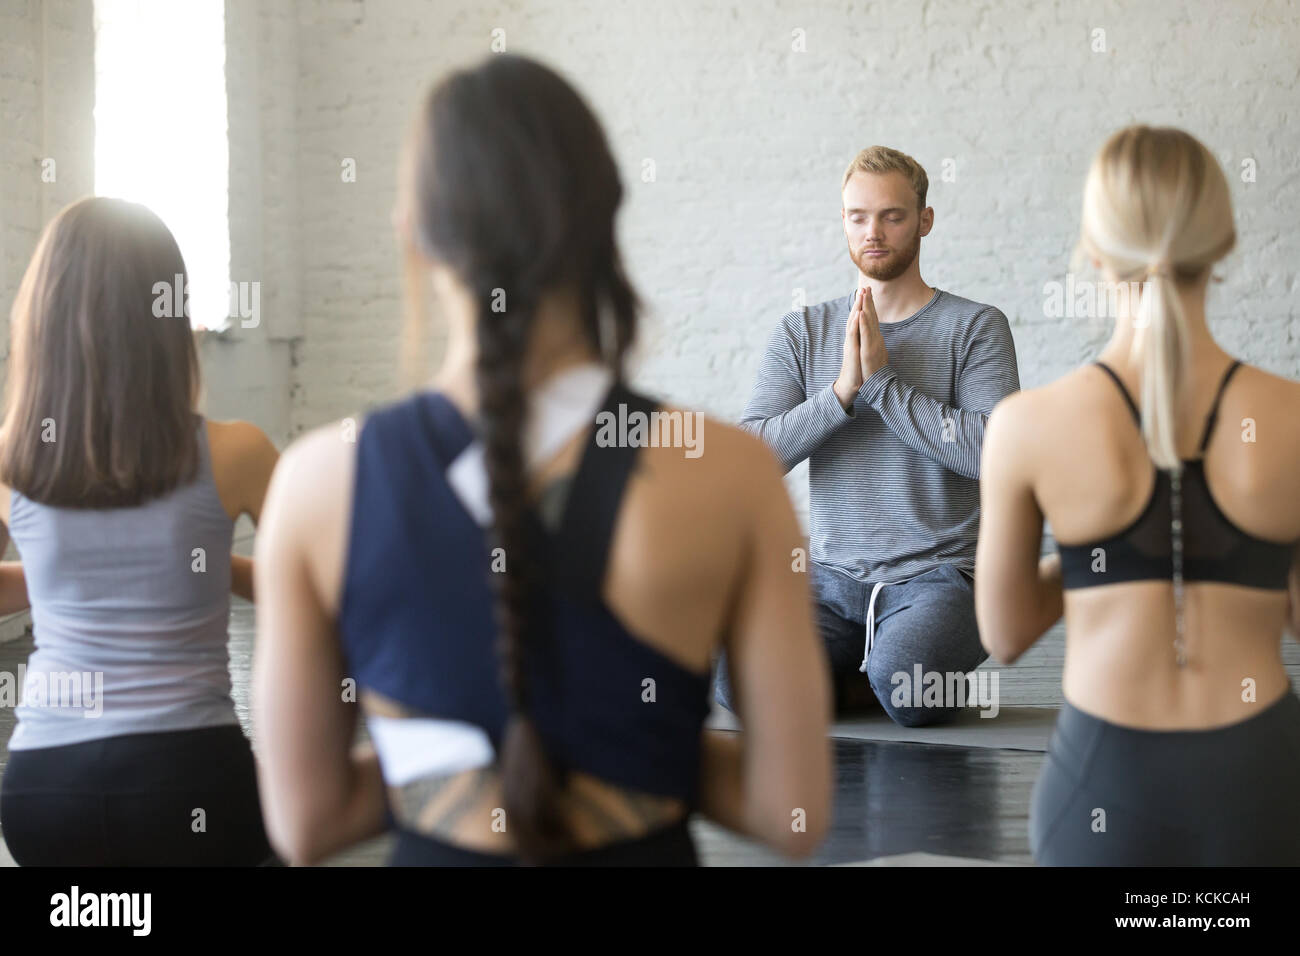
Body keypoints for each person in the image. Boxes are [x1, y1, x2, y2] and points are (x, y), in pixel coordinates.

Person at [251, 53, 831, 867]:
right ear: (603, 220)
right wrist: (630, 741)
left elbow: (306, 824)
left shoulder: (316, 484)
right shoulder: (731, 474)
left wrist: (443, 756)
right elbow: (790, 812)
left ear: (412, 230)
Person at [976, 125, 1300, 865]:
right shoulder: (1292, 418)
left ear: (1095, 251)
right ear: (1220, 246)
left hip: (1104, 788)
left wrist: (1102, 560)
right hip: (1263, 783)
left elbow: (1005, 632)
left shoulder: (1027, 426)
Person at [0, 197, 280, 865]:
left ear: (43, 317)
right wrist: (204, 569)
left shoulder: (13, 455)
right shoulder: (237, 450)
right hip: (189, 781)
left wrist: (74, 583)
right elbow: (323, 590)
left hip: (43, 789)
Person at [717, 145, 1020, 726]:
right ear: (844, 221)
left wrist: (882, 385)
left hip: (940, 576)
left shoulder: (976, 326)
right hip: (830, 577)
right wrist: (837, 398)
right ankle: (868, 675)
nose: (873, 231)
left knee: (910, 691)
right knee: (736, 679)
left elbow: (992, 454)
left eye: (892, 215)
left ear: (924, 220)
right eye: (858, 216)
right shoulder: (803, 330)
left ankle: (877, 677)